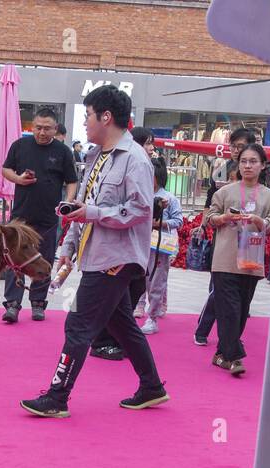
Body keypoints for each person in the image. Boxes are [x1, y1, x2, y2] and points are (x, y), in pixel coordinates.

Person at [21, 86, 168, 418]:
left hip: (118, 258)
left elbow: (140, 210)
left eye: (88, 115)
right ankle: (152, 386)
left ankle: (58, 397)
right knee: (121, 324)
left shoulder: (135, 160)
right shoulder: (95, 156)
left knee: (78, 324)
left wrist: (93, 214)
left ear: (106, 117)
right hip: (95, 253)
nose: (84, 122)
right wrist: (67, 249)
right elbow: (82, 208)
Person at [201, 143, 270, 376]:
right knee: (230, 311)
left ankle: (221, 354)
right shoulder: (224, 192)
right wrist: (224, 218)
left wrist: (259, 222)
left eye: (253, 161)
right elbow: (210, 217)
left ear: (262, 165)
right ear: (238, 163)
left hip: (252, 262)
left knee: (242, 311)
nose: (248, 165)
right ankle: (234, 357)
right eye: (244, 161)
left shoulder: (269, 196)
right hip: (225, 259)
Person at [0, 107, 79, 324]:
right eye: (37, 128)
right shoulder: (20, 145)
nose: (41, 132)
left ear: (55, 129)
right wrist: (18, 179)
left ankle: (38, 303)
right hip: (21, 216)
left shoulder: (63, 152)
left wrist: (68, 203)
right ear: (32, 126)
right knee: (14, 259)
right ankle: (13, 304)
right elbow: (5, 169)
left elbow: (71, 181)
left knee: (43, 259)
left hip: (48, 216)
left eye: (47, 128)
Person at [194, 127, 260, 347]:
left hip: (251, 243)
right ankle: (204, 330)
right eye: (233, 146)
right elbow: (209, 205)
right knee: (218, 290)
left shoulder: (262, 179)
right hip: (224, 240)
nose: (235, 151)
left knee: (243, 296)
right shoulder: (222, 171)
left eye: (240, 147)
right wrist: (204, 226)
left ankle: (229, 340)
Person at [92, 126, 153, 357]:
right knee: (81, 321)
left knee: (123, 309)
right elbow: (90, 203)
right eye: (148, 142)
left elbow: (139, 207)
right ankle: (100, 342)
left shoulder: (138, 161)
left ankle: (151, 384)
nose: (151, 148)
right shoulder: (101, 158)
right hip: (110, 251)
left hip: (130, 250)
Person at [136, 157, 183, 335]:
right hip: (141, 243)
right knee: (141, 278)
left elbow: (178, 220)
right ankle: (141, 306)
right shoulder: (140, 195)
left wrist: (160, 224)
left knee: (157, 281)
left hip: (160, 245)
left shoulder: (169, 198)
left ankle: (152, 317)